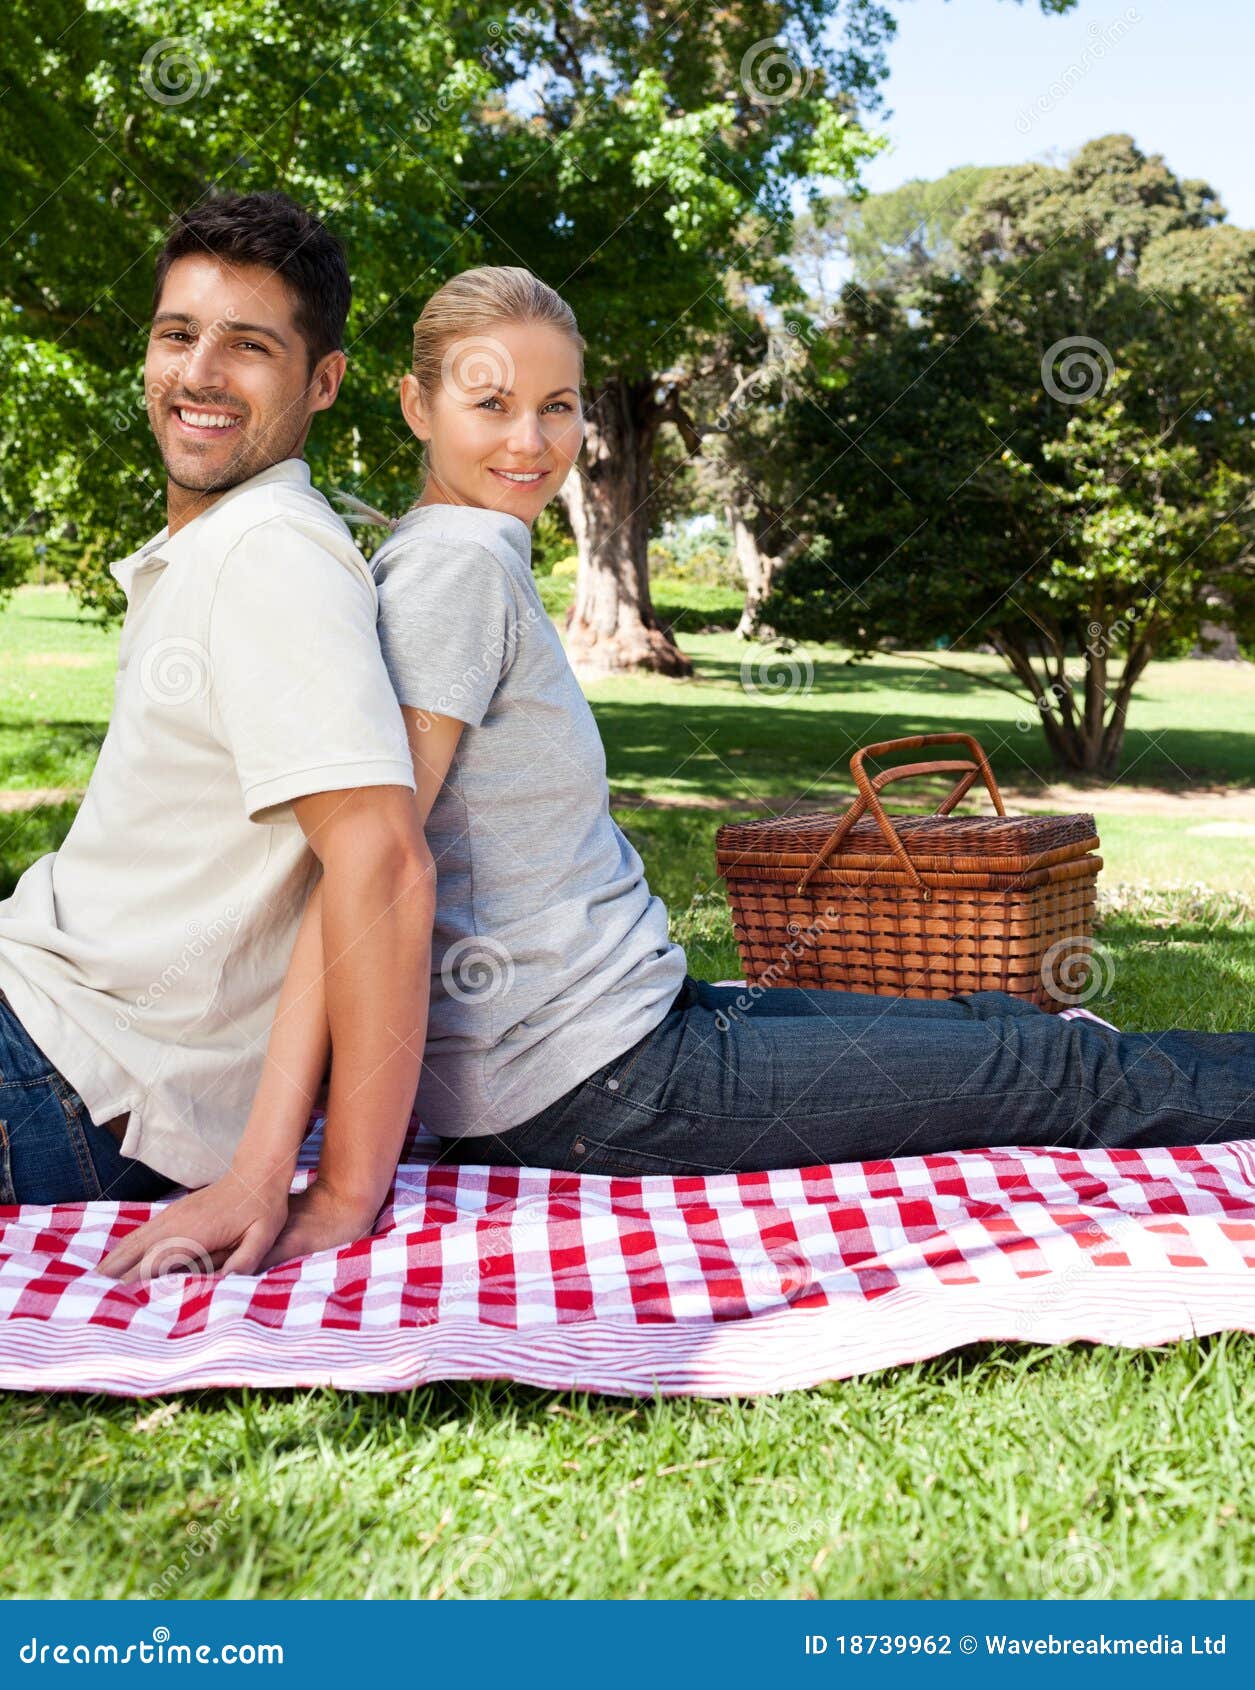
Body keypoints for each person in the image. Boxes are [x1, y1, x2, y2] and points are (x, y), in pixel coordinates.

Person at [102, 263, 1255, 1283]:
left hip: (629, 1025)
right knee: (1041, 1063)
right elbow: (359, 874)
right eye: (490, 403)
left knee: (996, 1024)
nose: (530, 442)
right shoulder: (455, 570)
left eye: (557, 406)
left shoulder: (454, 553)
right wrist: (319, 1182)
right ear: (415, 405)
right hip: (601, 1083)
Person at [0, 192, 434, 1275]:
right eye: (177, 334)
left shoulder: (270, 554)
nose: (198, 373)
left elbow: (382, 860)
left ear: (323, 382)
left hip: (69, 1078)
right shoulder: (223, 541)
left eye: (249, 346)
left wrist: (339, 1190)